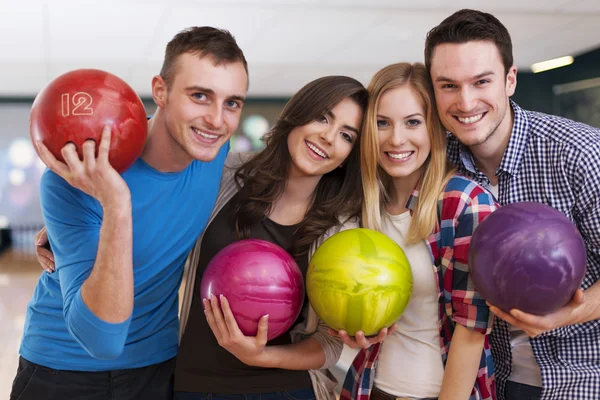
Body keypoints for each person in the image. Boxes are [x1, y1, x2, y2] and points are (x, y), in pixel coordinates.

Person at [12, 26, 249, 400]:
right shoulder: (71, 182)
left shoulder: (214, 148)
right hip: (62, 370)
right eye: (200, 96)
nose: (217, 119)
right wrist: (116, 205)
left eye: (232, 103)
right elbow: (101, 340)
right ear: (161, 91)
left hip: (157, 367)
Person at [424, 9, 600, 400]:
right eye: (448, 85)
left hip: (583, 378)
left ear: (510, 80)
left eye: (481, 81)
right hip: (494, 384)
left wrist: (571, 313)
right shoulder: (435, 164)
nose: (465, 101)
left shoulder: (581, 154)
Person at [174, 75, 368, 400]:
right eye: (323, 117)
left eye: (347, 136)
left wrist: (260, 356)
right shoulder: (224, 172)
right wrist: (57, 235)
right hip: (193, 384)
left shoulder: (341, 226)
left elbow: (329, 343)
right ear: (298, 113)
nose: (329, 137)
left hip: (285, 390)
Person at [338, 62, 498, 400]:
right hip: (368, 388)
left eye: (413, 122)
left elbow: (472, 331)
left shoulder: (465, 203)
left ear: (435, 128)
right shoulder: (362, 206)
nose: (396, 139)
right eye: (382, 123)